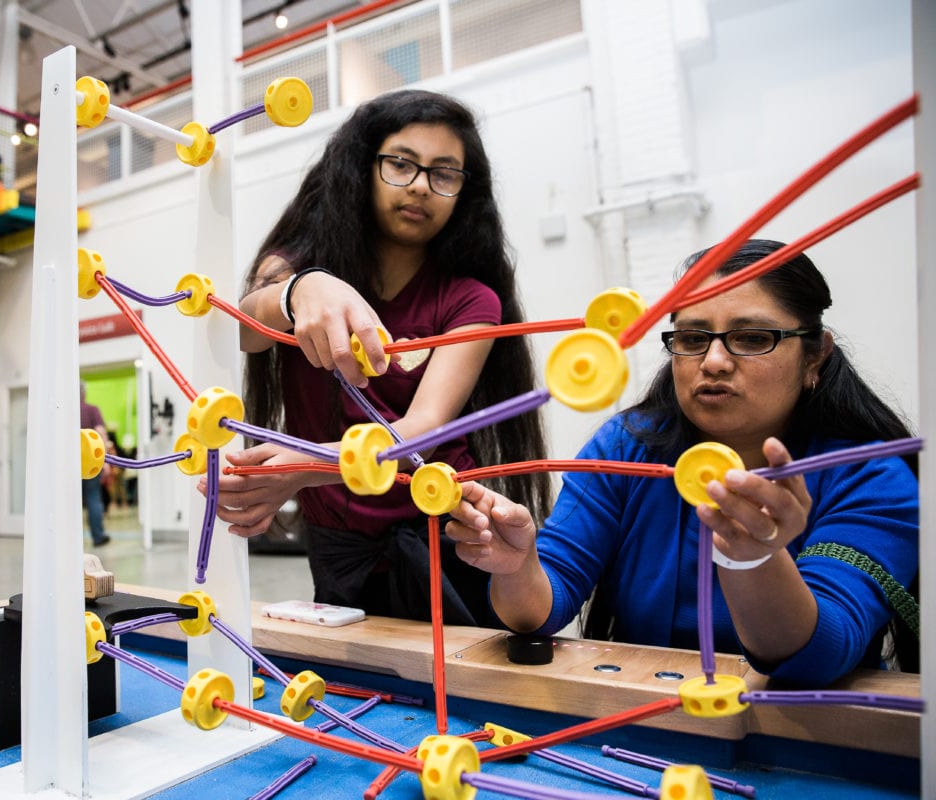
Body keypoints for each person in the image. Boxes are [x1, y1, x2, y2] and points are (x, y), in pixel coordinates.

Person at [447, 239, 918, 686]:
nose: (713, 361)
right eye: (692, 338)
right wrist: (516, 568)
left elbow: (816, 656)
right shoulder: (626, 450)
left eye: (752, 338)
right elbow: (542, 606)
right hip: (642, 726)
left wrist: (753, 556)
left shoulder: (873, 480)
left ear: (816, 356)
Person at [209, 89, 551, 626]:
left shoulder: (471, 299)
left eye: (444, 173)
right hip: (337, 539)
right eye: (401, 163)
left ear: (464, 192)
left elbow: (424, 425)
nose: (420, 185)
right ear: (362, 167)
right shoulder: (292, 266)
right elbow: (240, 335)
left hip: (444, 526)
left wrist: (308, 466)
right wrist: (299, 290)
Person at [81, 383, 111, 546]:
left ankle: (68, 541)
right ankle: (98, 537)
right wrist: (105, 460)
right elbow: (101, 432)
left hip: (69, 464)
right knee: (93, 498)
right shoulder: (92, 410)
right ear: (84, 393)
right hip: (91, 462)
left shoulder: (64, 412)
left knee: (68, 500)